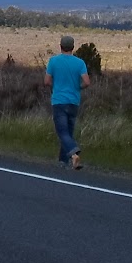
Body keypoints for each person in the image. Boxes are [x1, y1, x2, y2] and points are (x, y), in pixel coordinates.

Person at [44, 34, 91, 170]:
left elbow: (46, 81)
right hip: (74, 101)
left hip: (59, 100)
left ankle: (74, 153)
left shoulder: (53, 61)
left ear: (60, 46)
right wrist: (78, 87)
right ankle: (63, 161)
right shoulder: (80, 63)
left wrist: (55, 86)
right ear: (73, 47)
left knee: (62, 132)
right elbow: (87, 82)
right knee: (68, 132)